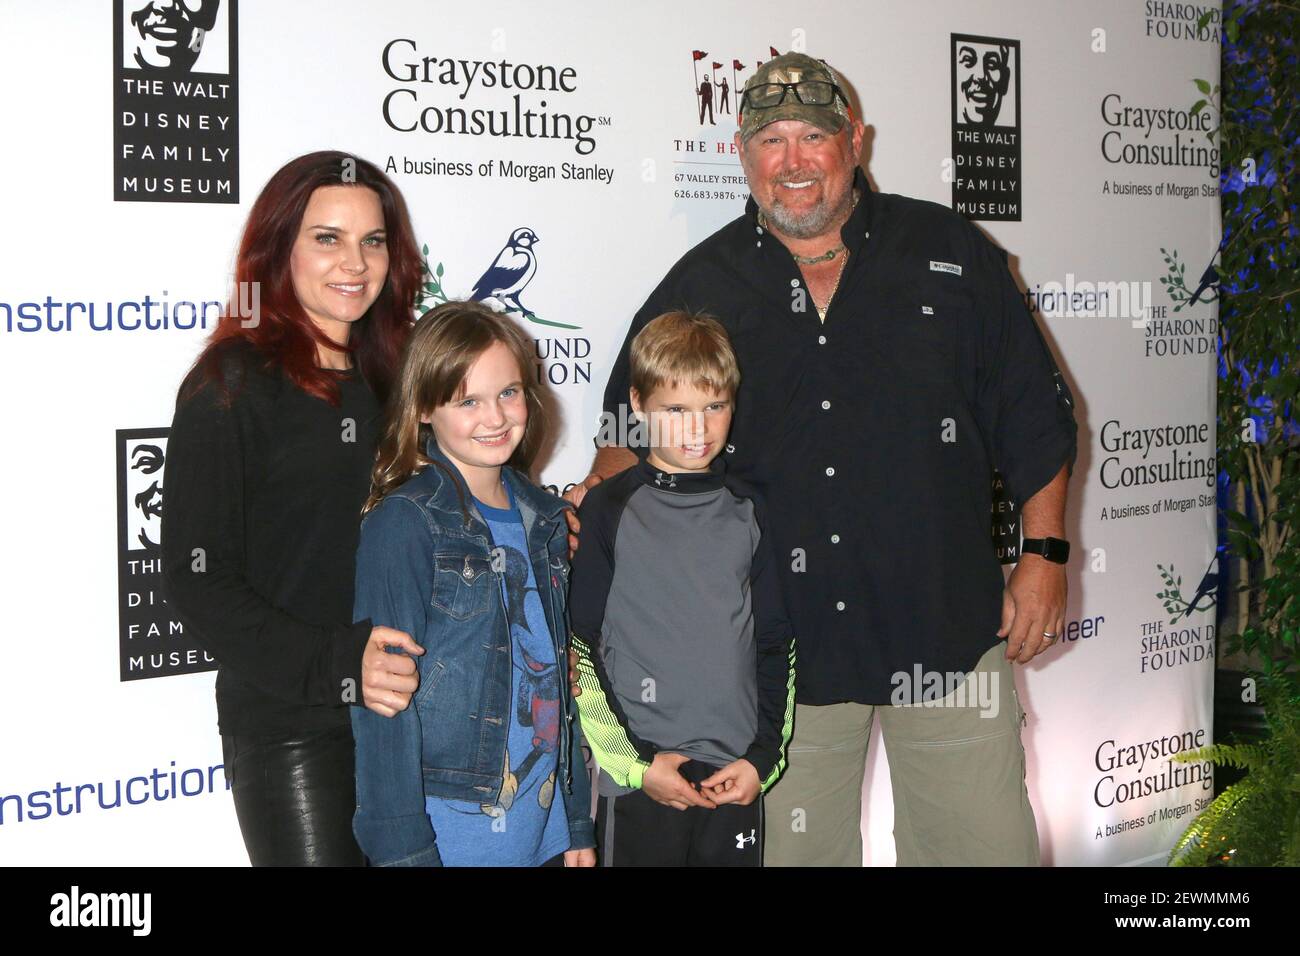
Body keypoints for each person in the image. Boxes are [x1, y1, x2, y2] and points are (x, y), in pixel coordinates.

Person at [567, 52, 1077, 866]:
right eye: (772, 140)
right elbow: (629, 440)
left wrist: (1045, 554)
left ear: (856, 141)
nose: (794, 162)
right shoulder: (702, 284)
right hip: (779, 660)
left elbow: (1034, 414)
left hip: (944, 631)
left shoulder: (949, 253)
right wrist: (585, 513)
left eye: (815, 136)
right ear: (741, 152)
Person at [160, 150, 426, 866]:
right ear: (280, 247)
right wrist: (341, 662)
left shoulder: (399, 381)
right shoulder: (233, 385)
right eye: (327, 237)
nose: (356, 261)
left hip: (413, 711)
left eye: (373, 240)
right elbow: (198, 578)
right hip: (293, 726)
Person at [350, 300, 596, 867]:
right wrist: (404, 850)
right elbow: (382, 705)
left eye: (508, 393)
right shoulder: (406, 523)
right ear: (425, 409)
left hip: (542, 822)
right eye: (468, 400)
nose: (496, 417)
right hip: (448, 832)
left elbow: (559, 678)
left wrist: (576, 819)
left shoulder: (544, 518)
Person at [569, 311, 794, 867]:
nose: (698, 429)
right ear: (639, 406)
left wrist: (762, 760)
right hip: (644, 777)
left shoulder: (752, 509)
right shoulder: (608, 508)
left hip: (735, 777)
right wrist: (636, 765)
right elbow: (579, 646)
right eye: (676, 410)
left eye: (713, 406)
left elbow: (775, 642)